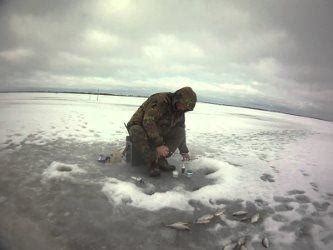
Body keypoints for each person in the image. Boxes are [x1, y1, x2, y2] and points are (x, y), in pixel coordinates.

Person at [126, 86, 197, 177]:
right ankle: (152, 162)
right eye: (183, 105)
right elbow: (148, 122)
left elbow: (181, 128)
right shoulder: (161, 100)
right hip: (140, 125)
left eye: (186, 107)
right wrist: (159, 144)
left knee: (179, 132)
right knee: (136, 130)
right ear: (177, 99)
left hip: (158, 128)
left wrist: (184, 150)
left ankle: (160, 158)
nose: (183, 108)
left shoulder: (180, 111)